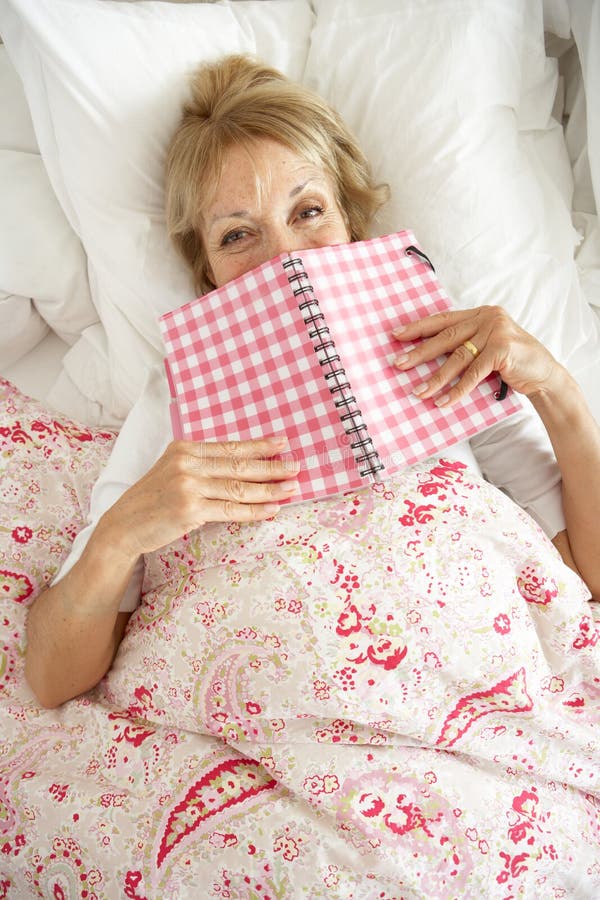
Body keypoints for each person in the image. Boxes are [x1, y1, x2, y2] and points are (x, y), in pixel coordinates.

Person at [24, 55, 600, 709]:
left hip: (476, 691)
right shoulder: (176, 394)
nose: (285, 260)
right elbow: (50, 680)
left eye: (308, 212)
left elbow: (590, 574)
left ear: (350, 221)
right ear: (207, 271)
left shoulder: (445, 344)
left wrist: (557, 389)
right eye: (239, 234)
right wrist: (124, 533)